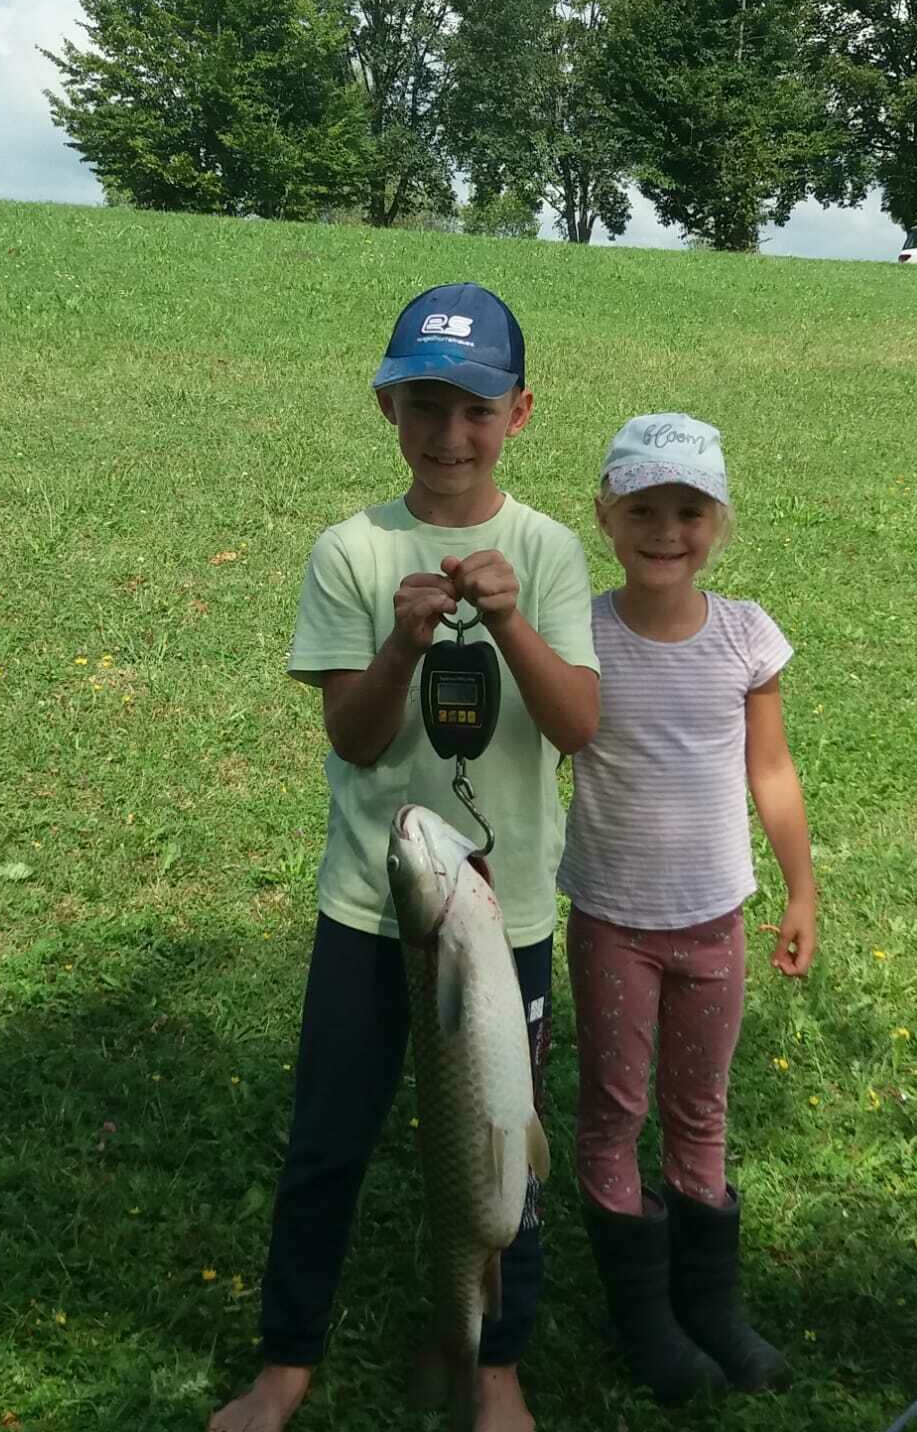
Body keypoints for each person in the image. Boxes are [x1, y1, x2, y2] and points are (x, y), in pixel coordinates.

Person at [210, 283, 599, 1432]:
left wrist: (514, 622)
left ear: (519, 413)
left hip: (510, 914)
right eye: (424, 405)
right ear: (387, 405)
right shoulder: (352, 550)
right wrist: (402, 639)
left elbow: (577, 729)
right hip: (373, 913)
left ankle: (494, 1367)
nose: (449, 434)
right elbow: (353, 734)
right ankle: (284, 1364)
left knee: (505, 1158)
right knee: (328, 1137)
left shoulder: (549, 549)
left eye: (475, 408)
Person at [557, 412, 819, 1404]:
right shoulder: (578, 635)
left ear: (719, 521)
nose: (665, 532)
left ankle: (708, 1306)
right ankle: (644, 1321)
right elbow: (540, 748)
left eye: (688, 512)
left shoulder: (745, 636)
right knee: (615, 1112)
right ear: (606, 517)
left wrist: (801, 890)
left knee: (698, 1111)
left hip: (713, 924)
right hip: (611, 923)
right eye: (643, 510)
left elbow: (772, 769)